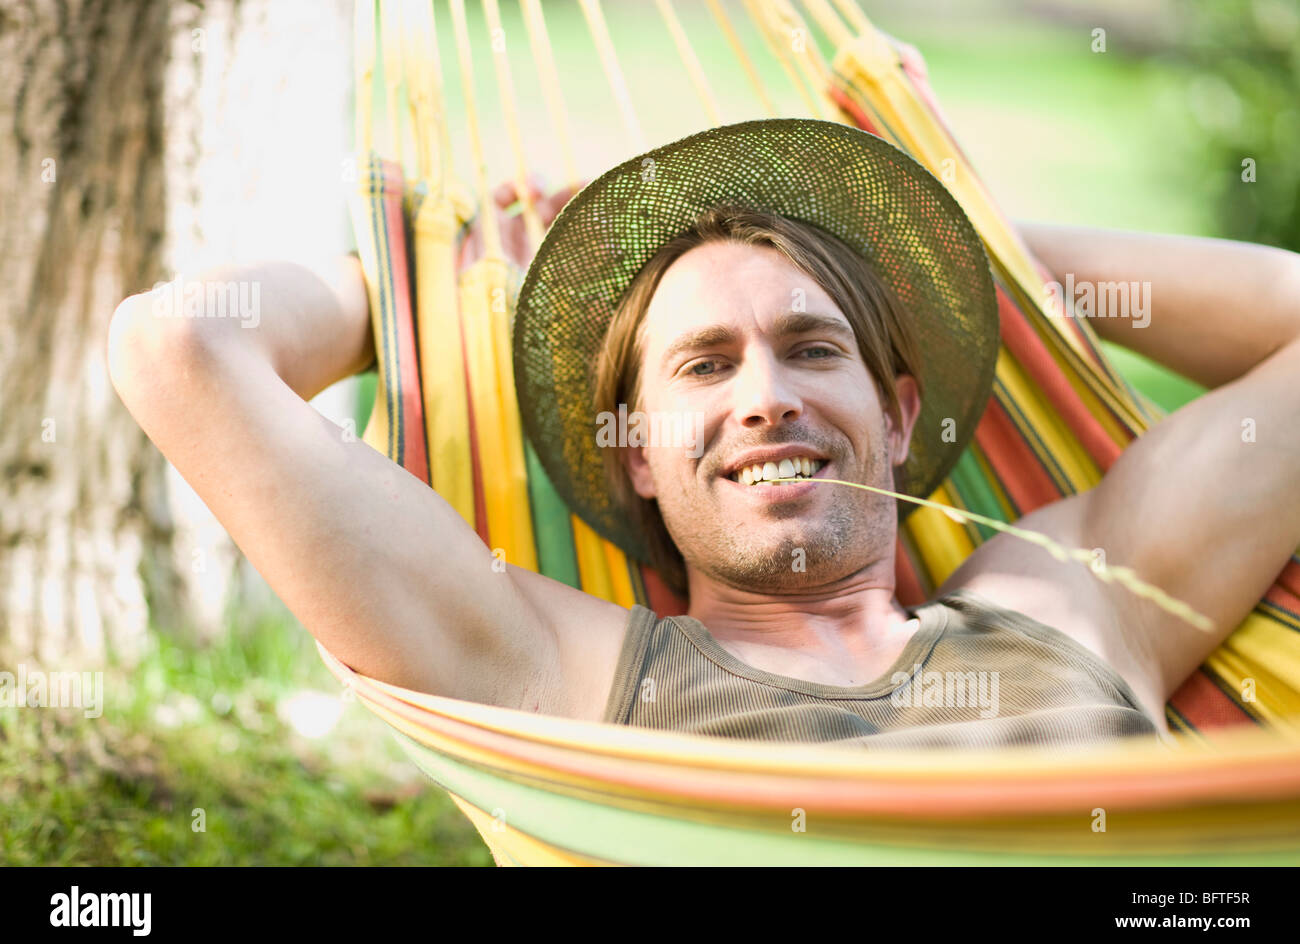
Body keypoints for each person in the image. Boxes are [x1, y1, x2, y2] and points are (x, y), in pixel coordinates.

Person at [108, 120, 1300, 751]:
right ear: (635, 447)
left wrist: (970, 249)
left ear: (895, 412)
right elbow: (182, 351)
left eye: (813, 347)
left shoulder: (1068, 598)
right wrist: (428, 287)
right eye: (704, 365)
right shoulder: (561, 670)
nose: (766, 395)